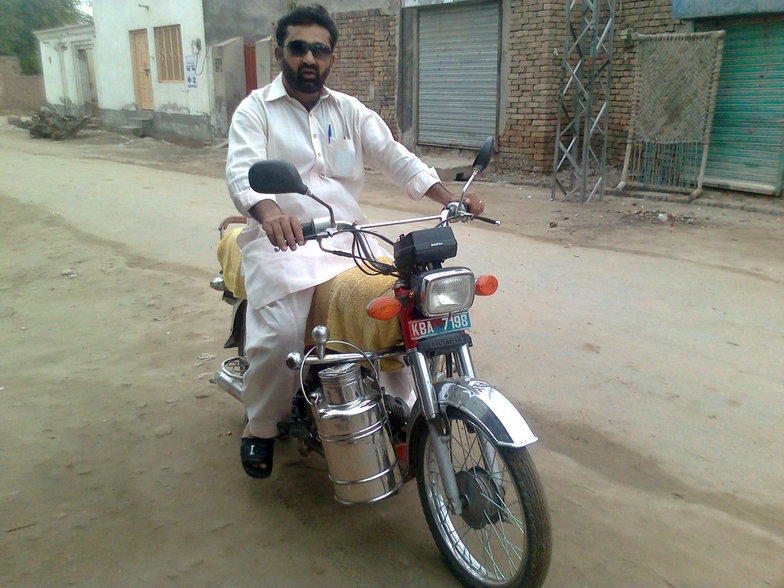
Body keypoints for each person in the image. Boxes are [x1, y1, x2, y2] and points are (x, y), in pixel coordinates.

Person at [225, 4, 484, 479]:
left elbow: (395, 156)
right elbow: (242, 172)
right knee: (280, 337)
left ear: (331, 56)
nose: (309, 58)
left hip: (347, 241)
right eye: (298, 47)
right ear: (281, 51)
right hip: (284, 243)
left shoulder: (349, 111)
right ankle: (260, 426)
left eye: (319, 49)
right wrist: (269, 211)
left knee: (405, 311)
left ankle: (405, 412)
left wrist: (449, 196)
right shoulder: (255, 111)